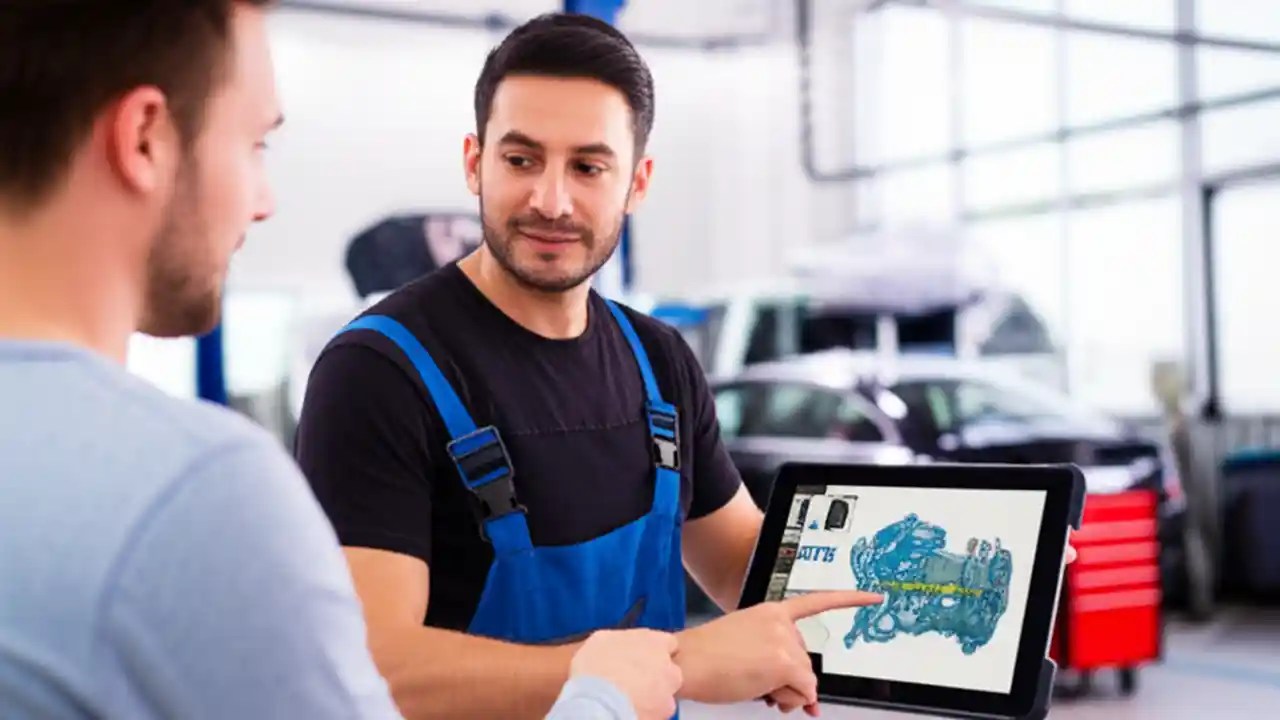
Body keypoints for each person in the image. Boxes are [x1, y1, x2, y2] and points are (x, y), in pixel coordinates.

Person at [0, 2, 681, 719]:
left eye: (588, 166)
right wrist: (604, 690)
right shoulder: (192, 489)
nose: (263, 202)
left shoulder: (653, 355)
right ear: (144, 137)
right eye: (255, 144)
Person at [293, 13, 885, 720]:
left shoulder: (661, 363)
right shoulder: (378, 373)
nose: (551, 200)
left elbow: (740, 563)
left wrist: (987, 592)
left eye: (587, 166)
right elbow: (373, 668)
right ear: (474, 162)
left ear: (636, 182)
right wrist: (676, 662)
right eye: (521, 160)